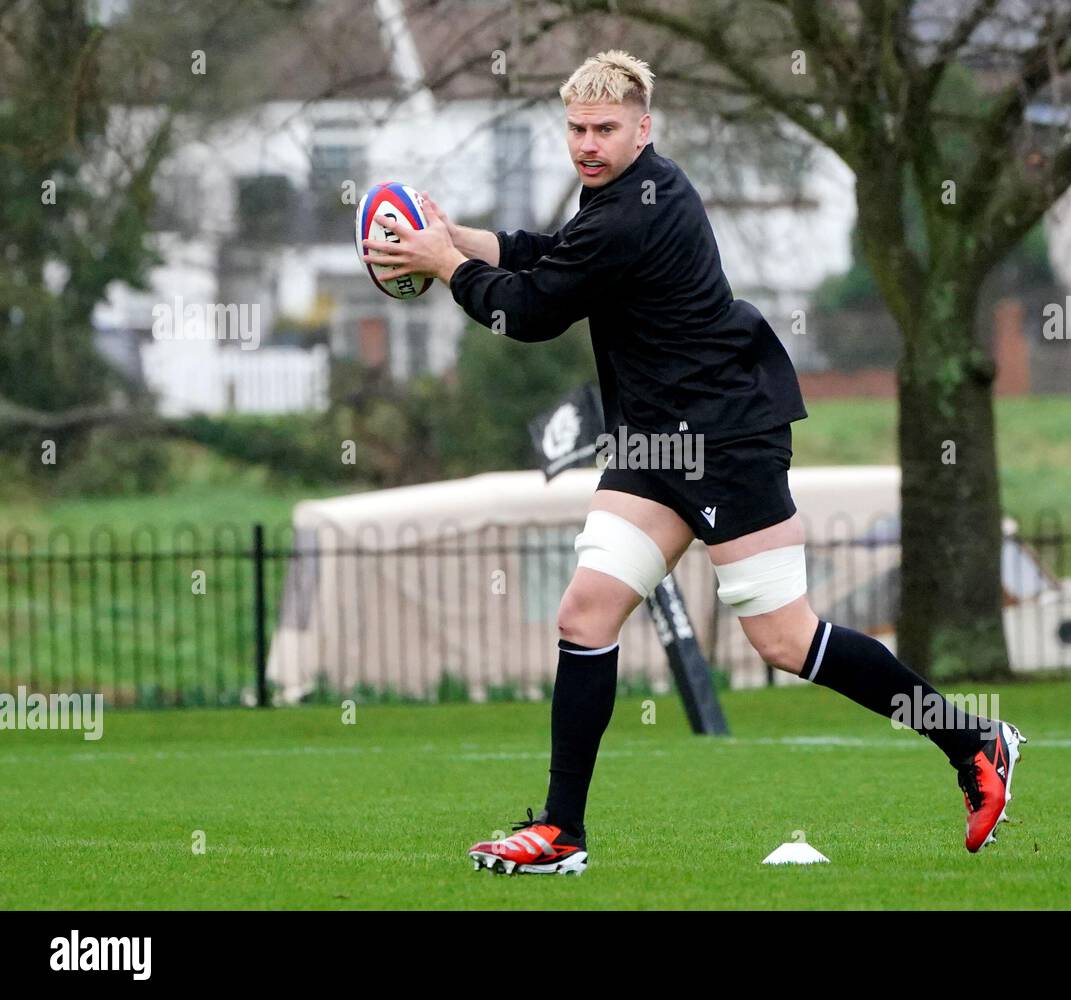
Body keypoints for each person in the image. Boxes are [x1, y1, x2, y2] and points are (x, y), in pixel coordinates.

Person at [362, 50, 1026, 875]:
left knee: (786, 640)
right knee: (586, 614)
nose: (589, 143)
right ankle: (562, 832)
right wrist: (456, 239)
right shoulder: (609, 199)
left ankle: (973, 741)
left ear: (645, 128)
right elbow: (547, 253)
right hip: (652, 446)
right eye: (576, 128)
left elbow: (529, 311)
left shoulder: (638, 209)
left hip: (723, 439)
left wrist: (441, 264)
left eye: (606, 129)